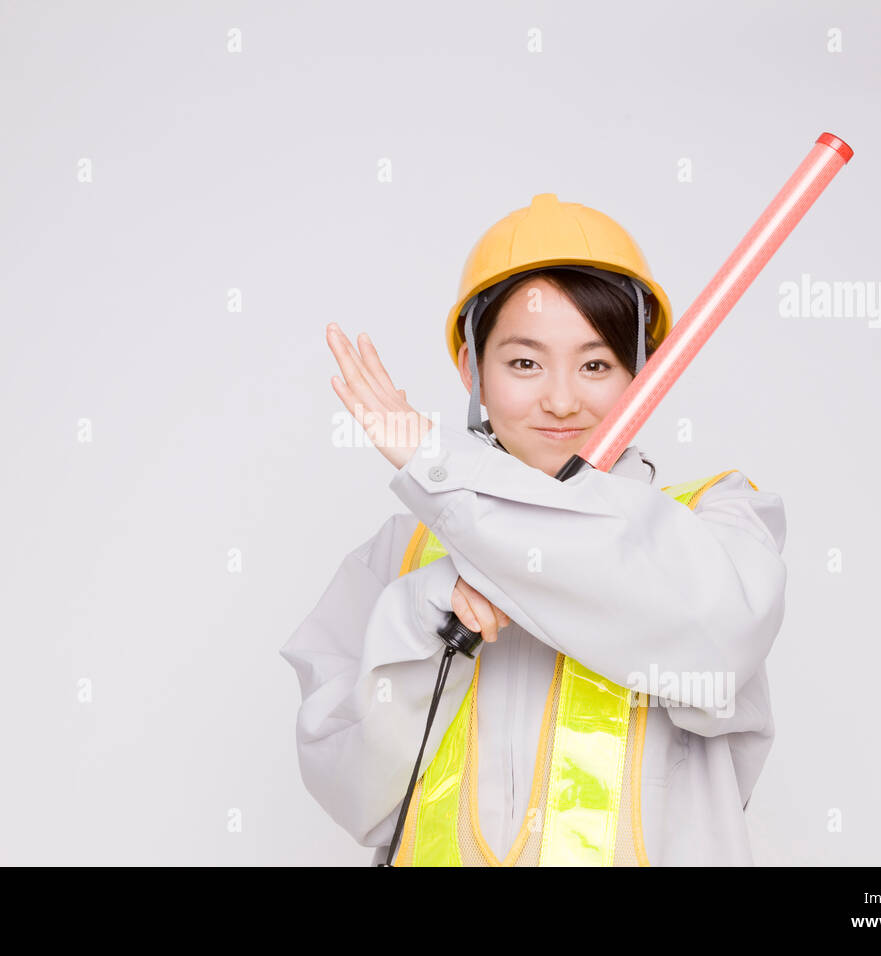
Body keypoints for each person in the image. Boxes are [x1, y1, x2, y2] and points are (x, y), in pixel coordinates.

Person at [279, 193, 787, 866]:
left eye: (597, 363)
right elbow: (354, 793)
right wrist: (424, 617)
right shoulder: (399, 556)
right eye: (524, 362)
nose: (561, 399)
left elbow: (710, 648)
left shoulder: (716, 524)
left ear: (647, 375)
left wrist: (442, 471)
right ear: (472, 372)